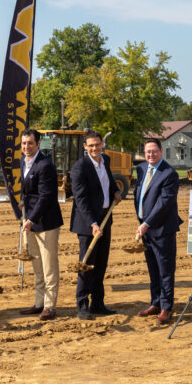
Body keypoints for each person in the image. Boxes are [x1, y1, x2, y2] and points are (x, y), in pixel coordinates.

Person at [70, 129, 121, 319]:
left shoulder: (105, 160)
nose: (94, 148)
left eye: (97, 144)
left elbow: (108, 181)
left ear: (102, 144)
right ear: (85, 147)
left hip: (105, 219)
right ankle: (82, 305)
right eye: (90, 145)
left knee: (101, 264)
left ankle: (98, 303)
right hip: (87, 223)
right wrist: (92, 223)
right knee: (86, 265)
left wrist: (116, 191)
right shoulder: (79, 167)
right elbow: (80, 199)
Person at [15, 128, 64, 321]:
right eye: (24, 143)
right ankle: (39, 303)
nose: (26, 147)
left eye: (30, 143)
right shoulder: (23, 162)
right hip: (32, 220)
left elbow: (46, 196)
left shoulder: (45, 165)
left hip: (47, 223)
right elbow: (29, 191)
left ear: (37, 145)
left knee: (49, 265)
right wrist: (22, 201)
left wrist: (31, 219)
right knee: (36, 264)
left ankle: (50, 306)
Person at [133, 138, 182, 324]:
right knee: (153, 269)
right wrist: (141, 221)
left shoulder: (169, 174)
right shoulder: (142, 169)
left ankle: (166, 307)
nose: (150, 155)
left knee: (165, 270)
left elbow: (163, 204)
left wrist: (146, 223)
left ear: (161, 151)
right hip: (145, 229)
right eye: (147, 152)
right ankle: (155, 302)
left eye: (154, 151)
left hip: (161, 230)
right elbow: (140, 195)